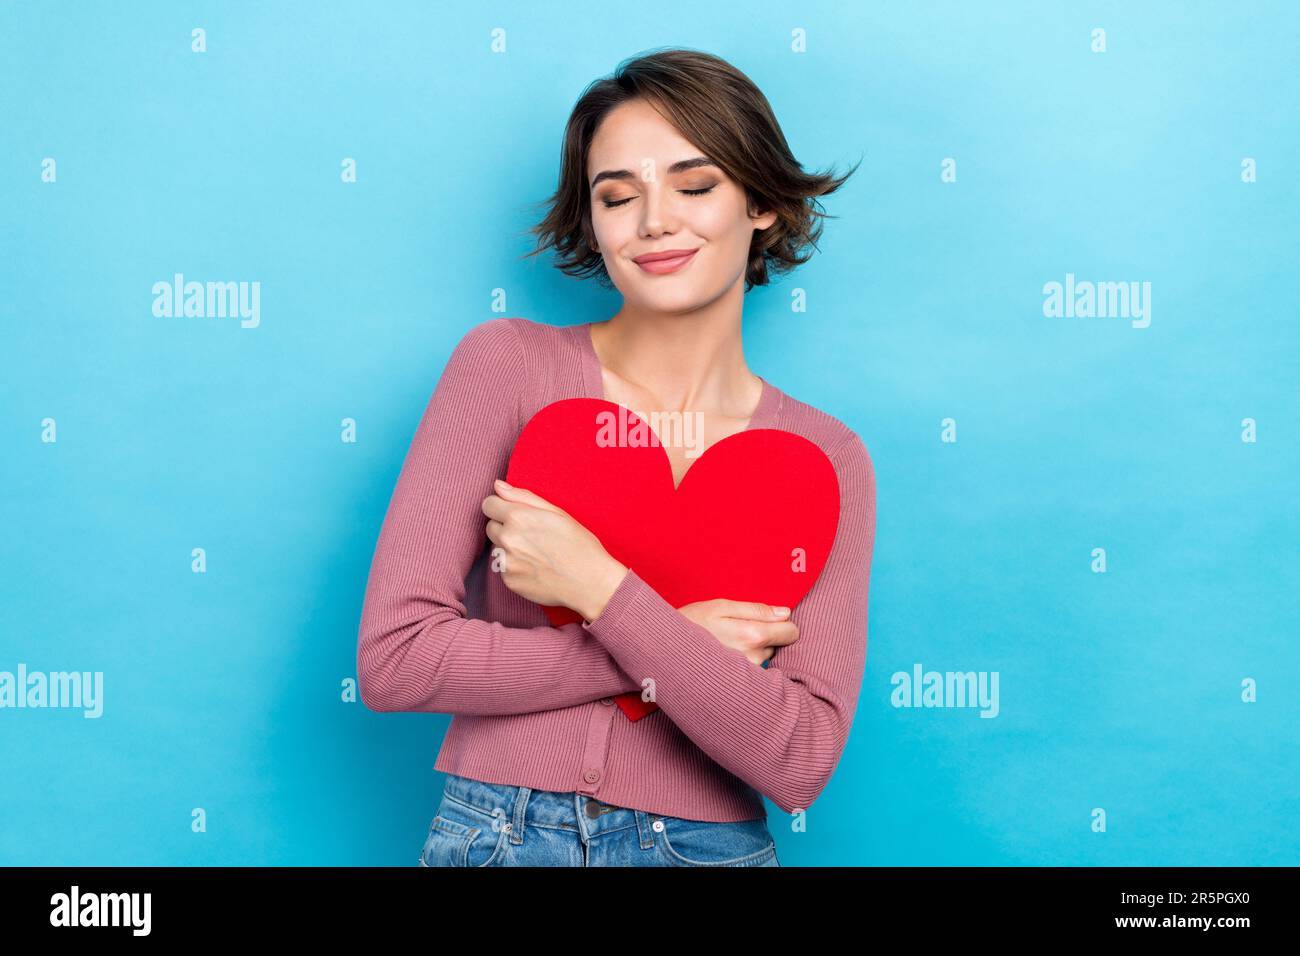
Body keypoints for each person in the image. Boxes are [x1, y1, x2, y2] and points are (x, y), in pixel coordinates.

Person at [357, 47, 876, 867]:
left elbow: (801, 757)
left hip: (705, 849)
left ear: (763, 204)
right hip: (499, 833)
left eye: (694, 186)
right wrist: (669, 650)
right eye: (617, 196)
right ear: (593, 222)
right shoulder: (507, 368)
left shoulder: (826, 457)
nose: (653, 222)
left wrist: (599, 588)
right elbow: (396, 660)